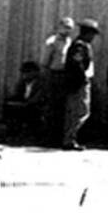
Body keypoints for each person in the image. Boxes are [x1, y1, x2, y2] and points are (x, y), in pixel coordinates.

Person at [61, 19, 100, 151]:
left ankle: (70, 138)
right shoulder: (80, 46)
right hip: (78, 83)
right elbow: (77, 64)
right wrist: (83, 79)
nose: (93, 37)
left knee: (77, 111)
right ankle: (69, 139)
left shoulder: (81, 45)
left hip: (76, 82)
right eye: (92, 34)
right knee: (79, 111)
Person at [41, 17, 75, 146]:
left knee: (63, 107)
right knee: (51, 106)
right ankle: (48, 137)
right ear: (59, 26)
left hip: (65, 75)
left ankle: (59, 137)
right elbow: (45, 62)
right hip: (54, 74)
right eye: (66, 27)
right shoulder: (52, 42)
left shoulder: (70, 42)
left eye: (70, 28)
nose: (68, 30)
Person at [4, 62, 45, 142]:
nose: (25, 75)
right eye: (23, 72)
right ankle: (12, 134)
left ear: (35, 72)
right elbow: (17, 95)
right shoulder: (22, 83)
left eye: (28, 72)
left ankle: (31, 136)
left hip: (36, 108)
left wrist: (25, 104)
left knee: (28, 111)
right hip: (24, 106)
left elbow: (38, 98)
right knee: (11, 110)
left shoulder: (41, 83)